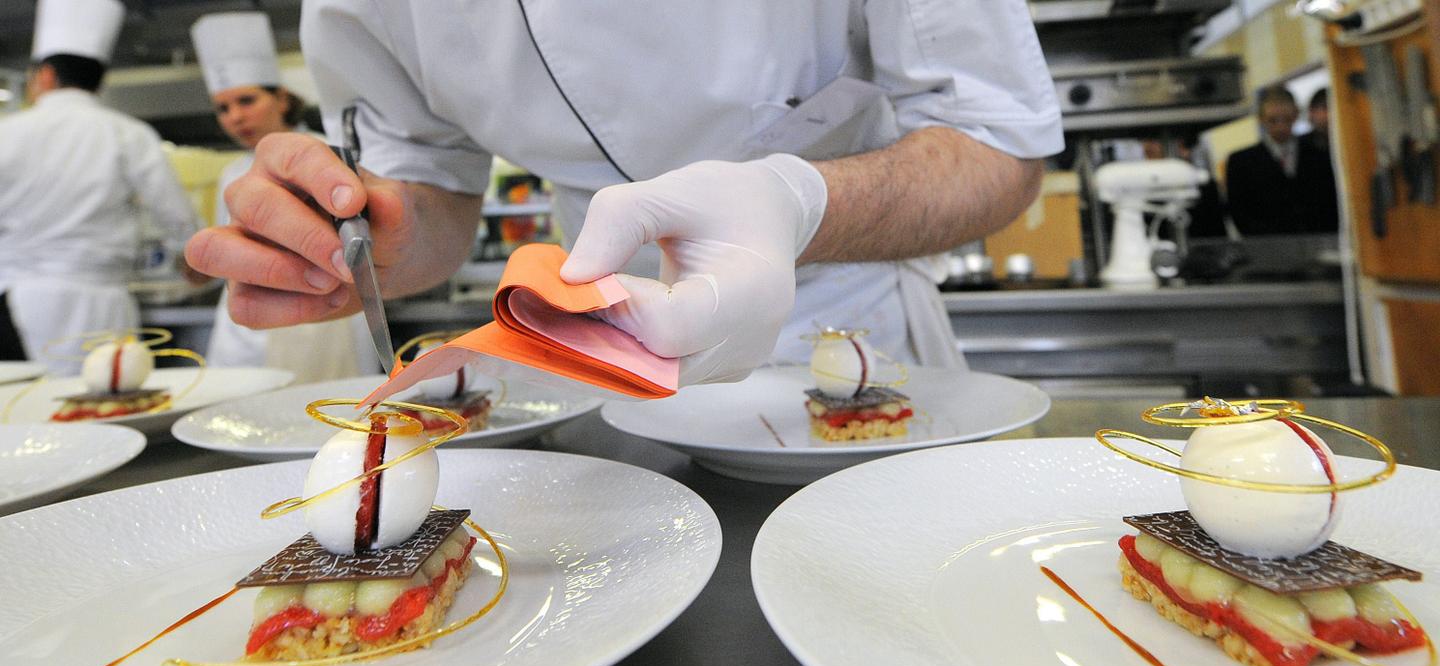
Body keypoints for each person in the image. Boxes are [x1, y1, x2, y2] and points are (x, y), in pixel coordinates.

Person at [186, 1, 1063, 387]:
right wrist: (363, 236)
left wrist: (793, 202)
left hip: (845, 336)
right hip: (589, 360)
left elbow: (998, 141)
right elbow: (430, 192)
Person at [0, 0, 199, 374]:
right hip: (102, 303)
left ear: (45, 75)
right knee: (106, 397)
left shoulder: (6, 133)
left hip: (16, 301)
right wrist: (193, 257)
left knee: (19, 402)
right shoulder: (128, 133)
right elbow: (175, 213)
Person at [191, 12, 377, 382]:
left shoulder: (327, 156)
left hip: (324, 311)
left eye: (247, 100)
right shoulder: (231, 172)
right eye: (223, 108)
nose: (235, 117)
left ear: (281, 98)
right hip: (247, 326)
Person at [1225, 86, 1340, 236]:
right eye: (1273, 120)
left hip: (1317, 240)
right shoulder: (1241, 162)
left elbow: (1331, 204)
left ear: (1296, 116)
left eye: (1287, 119)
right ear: (1261, 119)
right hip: (1268, 243)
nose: (1280, 127)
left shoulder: (1320, 156)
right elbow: (1240, 213)